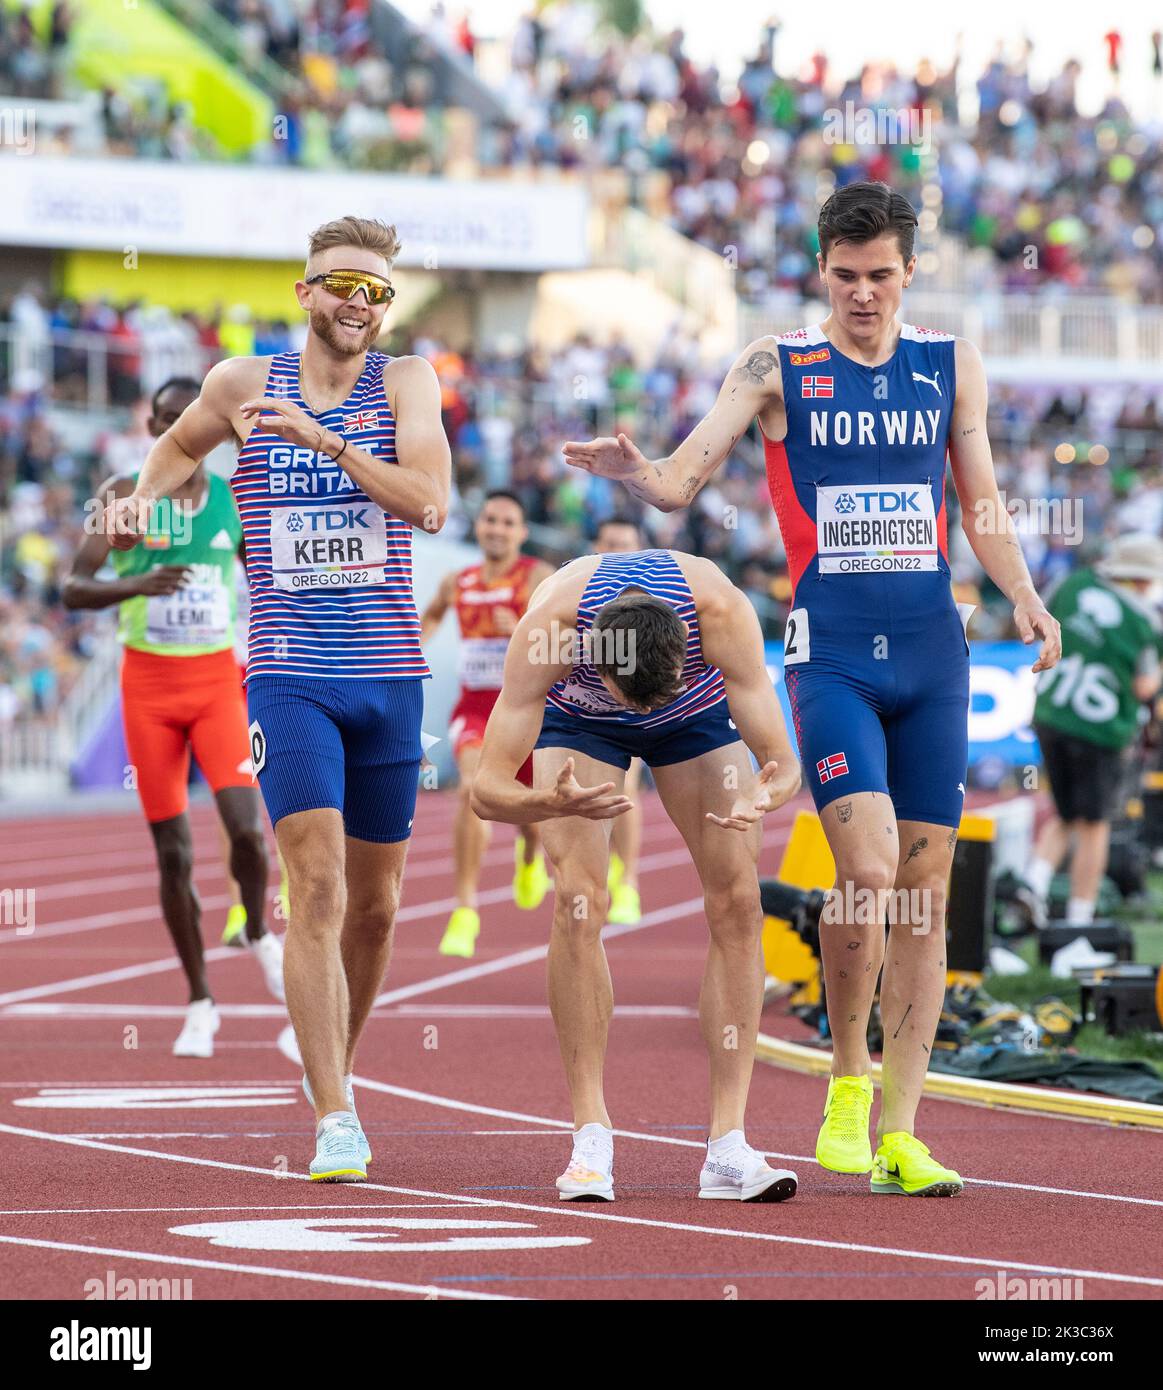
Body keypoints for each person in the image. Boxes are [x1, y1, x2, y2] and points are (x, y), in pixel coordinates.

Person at [562, 181, 1062, 1197]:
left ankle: (900, 1129)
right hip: (829, 652)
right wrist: (637, 471)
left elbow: (980, 501)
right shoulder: (776, 364)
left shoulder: (947, 364)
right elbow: (681, 477)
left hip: (934, 650)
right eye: (845, 277)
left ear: (908, 271)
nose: (863, 295)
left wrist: (1022, 594)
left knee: (926, 890)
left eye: (881, 276)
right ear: (819, 271)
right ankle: (845, 1076)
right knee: (868, 870)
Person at [104, 217, 451, 1183]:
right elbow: (176, 448)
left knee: (377, 908)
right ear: (307, 293)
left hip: (389, 676)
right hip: (287, 670)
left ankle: (331, 1061)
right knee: (319, 886)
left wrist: (327, 443)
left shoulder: (408, 383)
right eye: (345, 286)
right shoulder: (240, 386)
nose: (361, 306)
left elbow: (430, 503)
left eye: (379, 292)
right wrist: (145, 499)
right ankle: (336, 1117)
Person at [471, 547, 802, 1202]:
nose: (640, 709)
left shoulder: (721, 611)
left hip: (695, 720)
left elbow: (781, 763)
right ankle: (590, 1137)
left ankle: (727, 1147)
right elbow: (484, 791)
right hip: (580, 721)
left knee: (736, 898)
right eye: (635, 696)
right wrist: (547, 805)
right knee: (576, 900)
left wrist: (764, 794)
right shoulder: (550, 631)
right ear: (597, 656)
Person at [64, 376, 280, 1058]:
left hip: (217, 683)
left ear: (209, 426)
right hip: (148, 689)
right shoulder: (121, 497)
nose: (170, 432)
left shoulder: (234, 501)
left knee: (248, 831)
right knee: (174, 851)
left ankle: (257, 927)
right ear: (149, 423)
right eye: (159, 420)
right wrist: (137, 583)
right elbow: (73, 585)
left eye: (181, 420)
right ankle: (199, 1000)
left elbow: (268, 580)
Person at [418, 490, 553, 957]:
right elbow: (431, 617)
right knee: (472, 790)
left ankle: (531, 853)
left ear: (522, 532)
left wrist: (519, 623)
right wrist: (409, 648)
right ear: (480, 527)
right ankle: (465, 910)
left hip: (527, 709)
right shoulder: (459, 581)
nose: (496, 528)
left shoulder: (538, 577)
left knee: (531, 810)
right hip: (475, 709)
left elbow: (567, 639)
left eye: (507, 521)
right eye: (490, 519)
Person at [1025, 534, 1163, 925]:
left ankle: (1031, 887)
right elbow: (1143, 686)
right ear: (1142, 579)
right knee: (1095, 824)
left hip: (1051, 713)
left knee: (1066, 812)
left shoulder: (1073, 584)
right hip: (1100, 729)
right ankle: (1079, 921)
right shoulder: (1146, 622)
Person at [593, 515, 647, 924]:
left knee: (624, 788)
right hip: (588, 709)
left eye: (625, 546)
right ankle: (593, 877)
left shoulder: (652, 600)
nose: (617, 554)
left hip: (639, 706)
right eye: (610, 544)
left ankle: (627, 882)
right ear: (597, 548)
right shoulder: (578, 593)